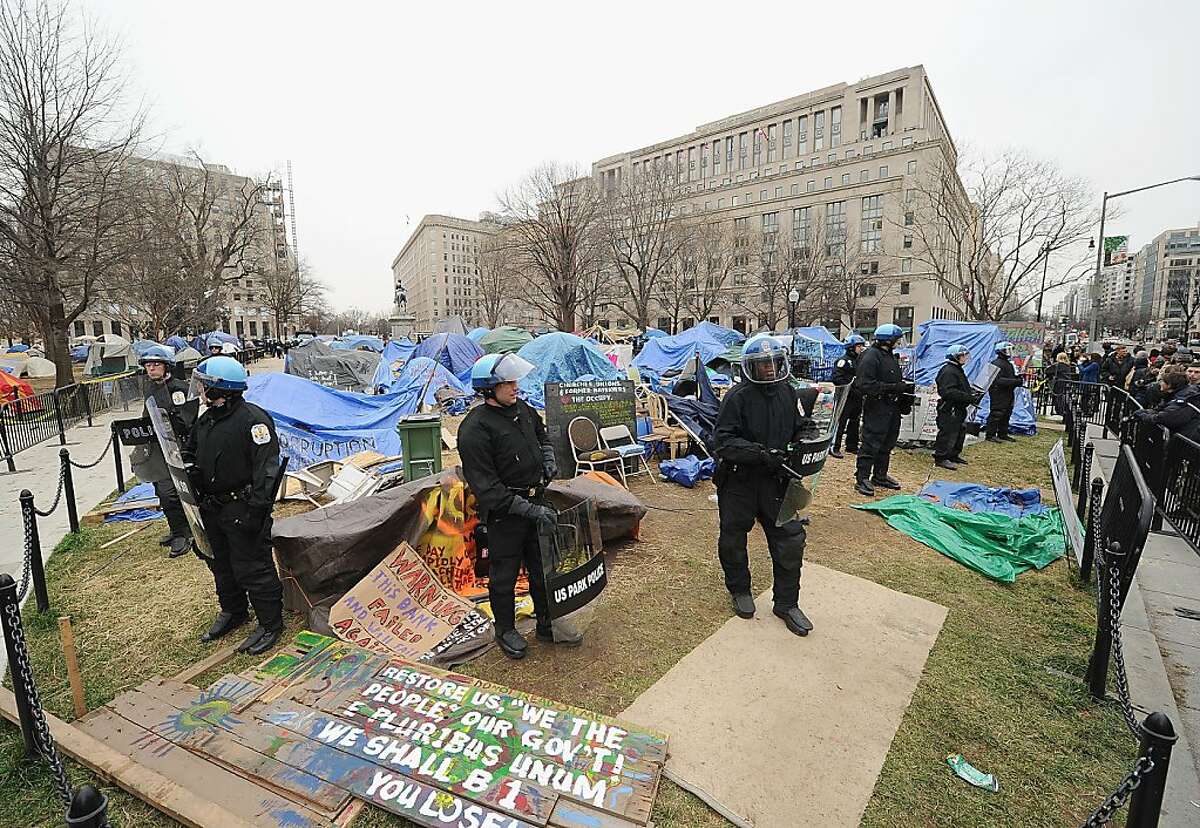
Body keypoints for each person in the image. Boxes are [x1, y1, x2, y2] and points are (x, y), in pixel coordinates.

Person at [458, 353, 582, 659]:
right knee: (505, 574)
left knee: (542, 566)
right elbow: (487, 488)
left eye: (515, 381)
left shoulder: (522, 409)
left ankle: (546, 621)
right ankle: (506, 630)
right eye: (508, 383)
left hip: (536, 499)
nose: (516, 387)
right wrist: (529, 510)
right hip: (505, 514)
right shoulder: (474, 429)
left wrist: (548, 456)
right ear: (489, 389)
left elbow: (541, 433)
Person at [713, 335, 815, 636]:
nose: (769, 369)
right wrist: (759, 454)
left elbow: (801, 424)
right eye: (762, 364)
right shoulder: (737, 397)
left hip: (777, 482)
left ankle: (787, 602)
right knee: (733, 537)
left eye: (773, 363)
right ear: (750, 367)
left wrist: (805, 440)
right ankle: (739, 589)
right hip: (740, 482)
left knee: (790, 540)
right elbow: (723, 441)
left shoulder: (788, 392)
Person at [186, 356, 285, 656]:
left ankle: (270, 623)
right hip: (212, 508)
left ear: (221, 389)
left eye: (205, 385)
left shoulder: (253, 420)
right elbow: (192, 451)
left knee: (253, 566)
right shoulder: (206, 420)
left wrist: (256, 511)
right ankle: (234, 610)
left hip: (242, 507)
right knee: (220, 563)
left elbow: (266, 470)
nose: (201, 390)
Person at [131, 344, 197, 558]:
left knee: (173, 492)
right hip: (157, 448)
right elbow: (146, 416)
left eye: (155, 364)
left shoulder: (179, 388)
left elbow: (186, 420)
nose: (151, 369)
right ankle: (175, 528)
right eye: (148, 365)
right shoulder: (150, 388)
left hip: (178, 447)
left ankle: (184, 533)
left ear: (166, 366)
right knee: (162, 490)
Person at [853, 324, 912, 497]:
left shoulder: (889, 355)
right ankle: (862, 477)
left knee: (887, 442)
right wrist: (893, 387)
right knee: (871, 442)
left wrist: (902, 392)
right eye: (897, 339)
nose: (899, 342)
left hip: (891, 407)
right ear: (889, 339)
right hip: (877, 406)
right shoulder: (871, 356)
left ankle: (880, 475)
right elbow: (864, 385)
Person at [932, 345, 981, 470]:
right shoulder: (948, 371)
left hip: (958, 407)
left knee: (960, 431)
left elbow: (960, 386)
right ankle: (941, 457)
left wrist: (971, 392)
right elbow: (948, 392)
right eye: (963, 355)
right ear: (956, 356)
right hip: (950, 407)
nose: (965, 358)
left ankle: (953, 454)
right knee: (947, 432)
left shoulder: (957, 369)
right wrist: (968, 397)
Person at [1133, 365, 1200, 441]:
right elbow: (1161, 409)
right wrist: (1148, 412)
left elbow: (1165, 418)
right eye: (1190, 371)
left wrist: (1143, 415)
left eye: (1197, 372)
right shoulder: (1178, 394)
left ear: (1169, 385)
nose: (1192, 374)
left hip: (1188, 440)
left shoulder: (1186, 397)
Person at [830, 333, 866, 459]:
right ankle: (834, 446)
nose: (861, 348)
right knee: (841, 422)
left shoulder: (860, 361)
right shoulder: (843, 361)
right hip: (845, 397)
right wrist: (851, 385)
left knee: (854, 421)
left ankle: (852, 445)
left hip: (857, 397)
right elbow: (836, 378)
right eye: (859, 346)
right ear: (851, 347)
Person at [985, 342, 1023, 443]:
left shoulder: (1008, 364)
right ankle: (990, 434)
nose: (1010, 352)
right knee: (997, 413)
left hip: (1008, 392)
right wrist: (1015, 381)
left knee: (1006, 413)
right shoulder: (995, 363)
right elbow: (997, 380)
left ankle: (1003, 433)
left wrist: (1017, 378)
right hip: (998, 392)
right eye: (1007, 350)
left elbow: (1008, 377)